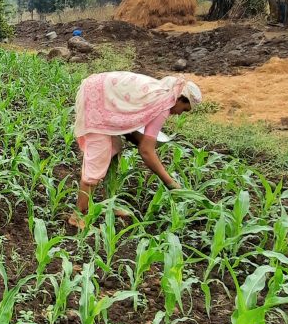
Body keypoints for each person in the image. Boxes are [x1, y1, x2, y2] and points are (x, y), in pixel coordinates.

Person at [69, 71, 202, 230]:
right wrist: (171, 183)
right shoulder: (164, 104)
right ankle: (78, 215)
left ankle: (108, 205)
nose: (180, 114)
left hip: (101, 92)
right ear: (180, 99)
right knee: (98, 158)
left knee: (113, 148)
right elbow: (146, 151)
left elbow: (129, 123)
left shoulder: (163, 93)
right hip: (97, 98)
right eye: (184, 109)